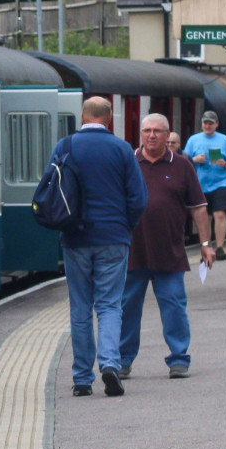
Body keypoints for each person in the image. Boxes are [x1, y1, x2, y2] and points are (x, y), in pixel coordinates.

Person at [55, 96, 147, 397]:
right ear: (109, 119)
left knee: (81, 307)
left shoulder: (65, 146)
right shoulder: (122, 149)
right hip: (113, 237)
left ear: (83, 115)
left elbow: (51, 190)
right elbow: (138, 198)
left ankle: (82, 378)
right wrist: (125, 226)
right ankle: (110, 363)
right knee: (109, 305)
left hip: (76, 238)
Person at [121, 113, 217, 378]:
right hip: (132, 252)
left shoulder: (182, 165)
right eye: (147, 130)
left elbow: (199, 208)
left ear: (168, 135)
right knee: (127, 307)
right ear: (140, 134)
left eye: (157, 131)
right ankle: (122, 360)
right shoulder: (127, 162)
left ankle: (178, 358)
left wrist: (206, 244)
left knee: (174, 306)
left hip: (169, 252)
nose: (152, 135)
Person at [183, 110, 226, 259]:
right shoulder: (193, 140)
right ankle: (206, 247)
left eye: (210, 123)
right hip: (200, 184)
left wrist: (224, 163)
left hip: (220, 183)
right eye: (205, 123)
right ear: (202, 124)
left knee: (220, 214)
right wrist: (194, 160)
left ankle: (220, 247)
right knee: (205, 218)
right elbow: (184, 160)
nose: (207, 126)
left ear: (216, 125)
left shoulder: (225, 140)